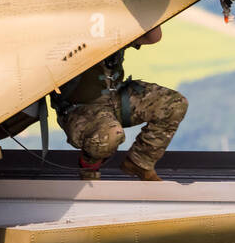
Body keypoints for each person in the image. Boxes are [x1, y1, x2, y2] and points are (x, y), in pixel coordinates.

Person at [53, 26, 188, 181]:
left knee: (173, 104)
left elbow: (153, 37)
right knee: (110, 136)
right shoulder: (71, 28)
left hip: (116, 98)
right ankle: (90, 163)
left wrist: (142, 7)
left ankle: (140, 163)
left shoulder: (113, 23)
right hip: (82, 109)